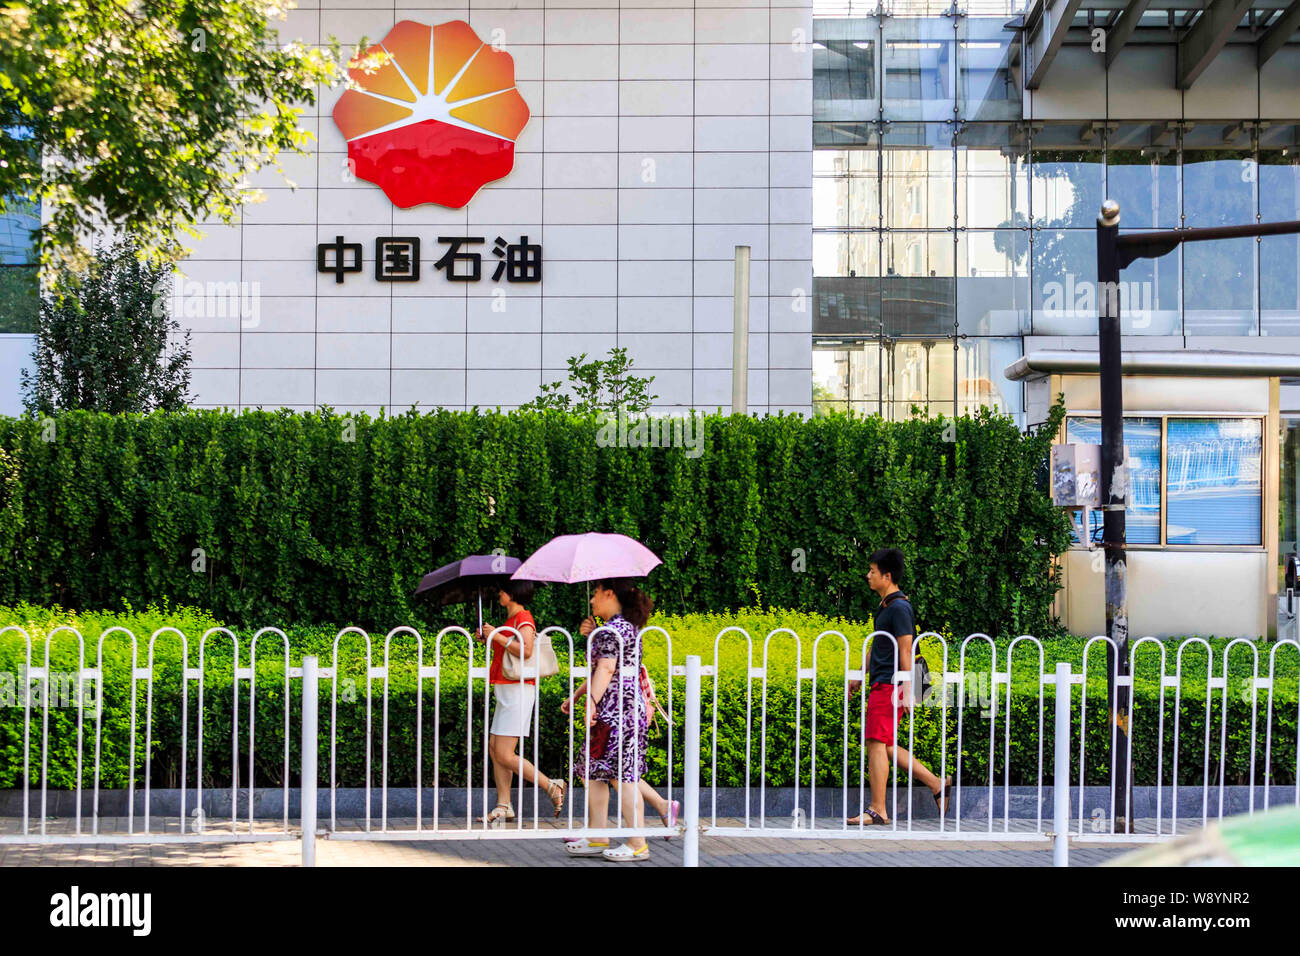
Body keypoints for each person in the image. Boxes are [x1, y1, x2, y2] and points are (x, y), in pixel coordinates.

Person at [846, 548, 952, 825]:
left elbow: (906, 650)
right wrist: (859, 672)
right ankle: (937, 783)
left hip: (891, 685)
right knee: (886, 745)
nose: (867, 575)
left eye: (872, 571)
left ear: (887, 575)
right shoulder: (884, 607)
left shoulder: (900, 608)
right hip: (882, 682)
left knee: (875, 743)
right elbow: (880, 643)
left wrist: (906, 688)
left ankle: (878, 809)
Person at [562, 578, 655, 861]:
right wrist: (579, 696)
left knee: (621, 776)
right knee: (595, 772)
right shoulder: (628, 628)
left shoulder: (610, 632)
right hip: (628, 710)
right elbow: (612, 670)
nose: (592, 601)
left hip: (614, 713)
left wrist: (590, 702)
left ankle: (637, 842)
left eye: (596, 594)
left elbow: (605, 669)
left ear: (609, 593)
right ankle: (598, 835)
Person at [475, 579, 566, 825]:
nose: (499, 594)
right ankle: (503, 805)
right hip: (506, 689)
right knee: (496, 749)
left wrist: (496, 635)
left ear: (513, 594)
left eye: (502, 590)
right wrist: (490, 638)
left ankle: (552, 786)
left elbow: (525, 650)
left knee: (504, 753)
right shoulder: (508, 621)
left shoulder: (524, 618)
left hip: (518, 690)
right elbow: (508, 650)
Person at [561, 672, 680, 832]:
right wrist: (579, 695)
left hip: (615, 709)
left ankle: (607, 834)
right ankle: (598, 830)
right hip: (620, 707)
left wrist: (587, 699)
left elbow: (606, 668)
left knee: (606, 770)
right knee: (603, 769)